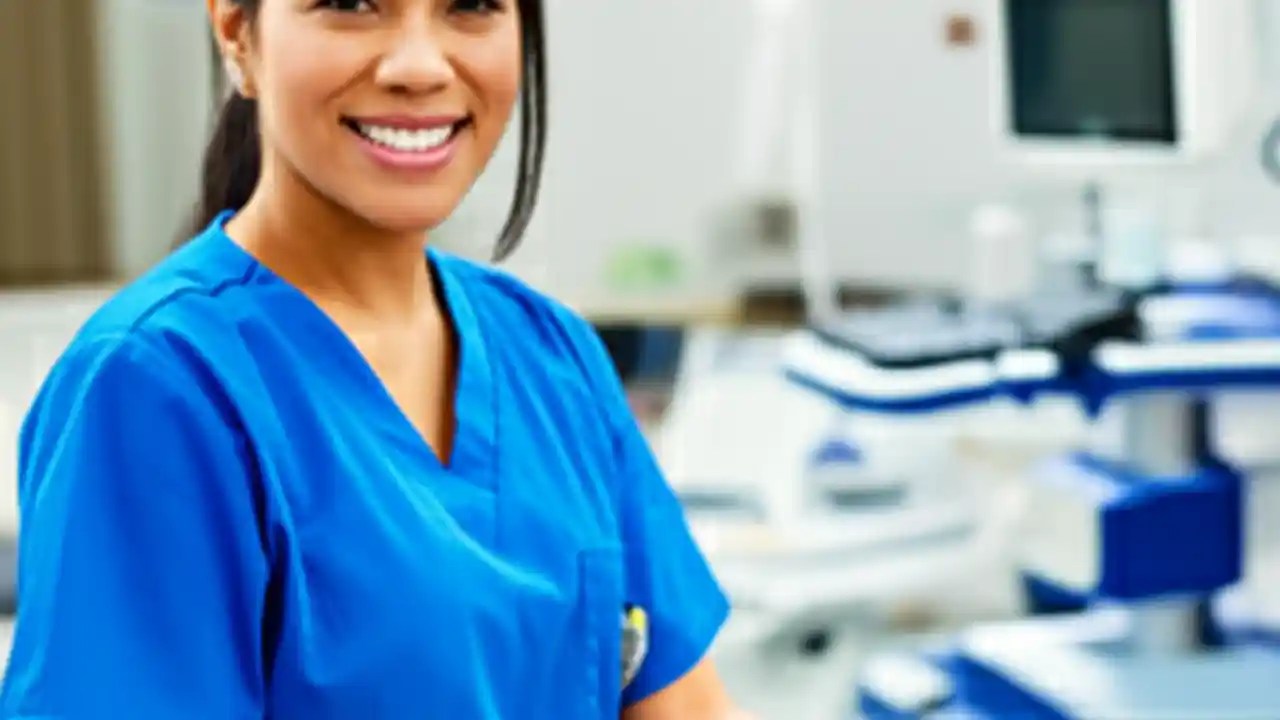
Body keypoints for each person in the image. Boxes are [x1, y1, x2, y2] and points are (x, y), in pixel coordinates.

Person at [0, 1, 748, 718]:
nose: (420, 66)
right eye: (351, 2)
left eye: (473, 3)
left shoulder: (552, 355)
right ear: (236, 29)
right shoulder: (159, 388)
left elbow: (687, 703)